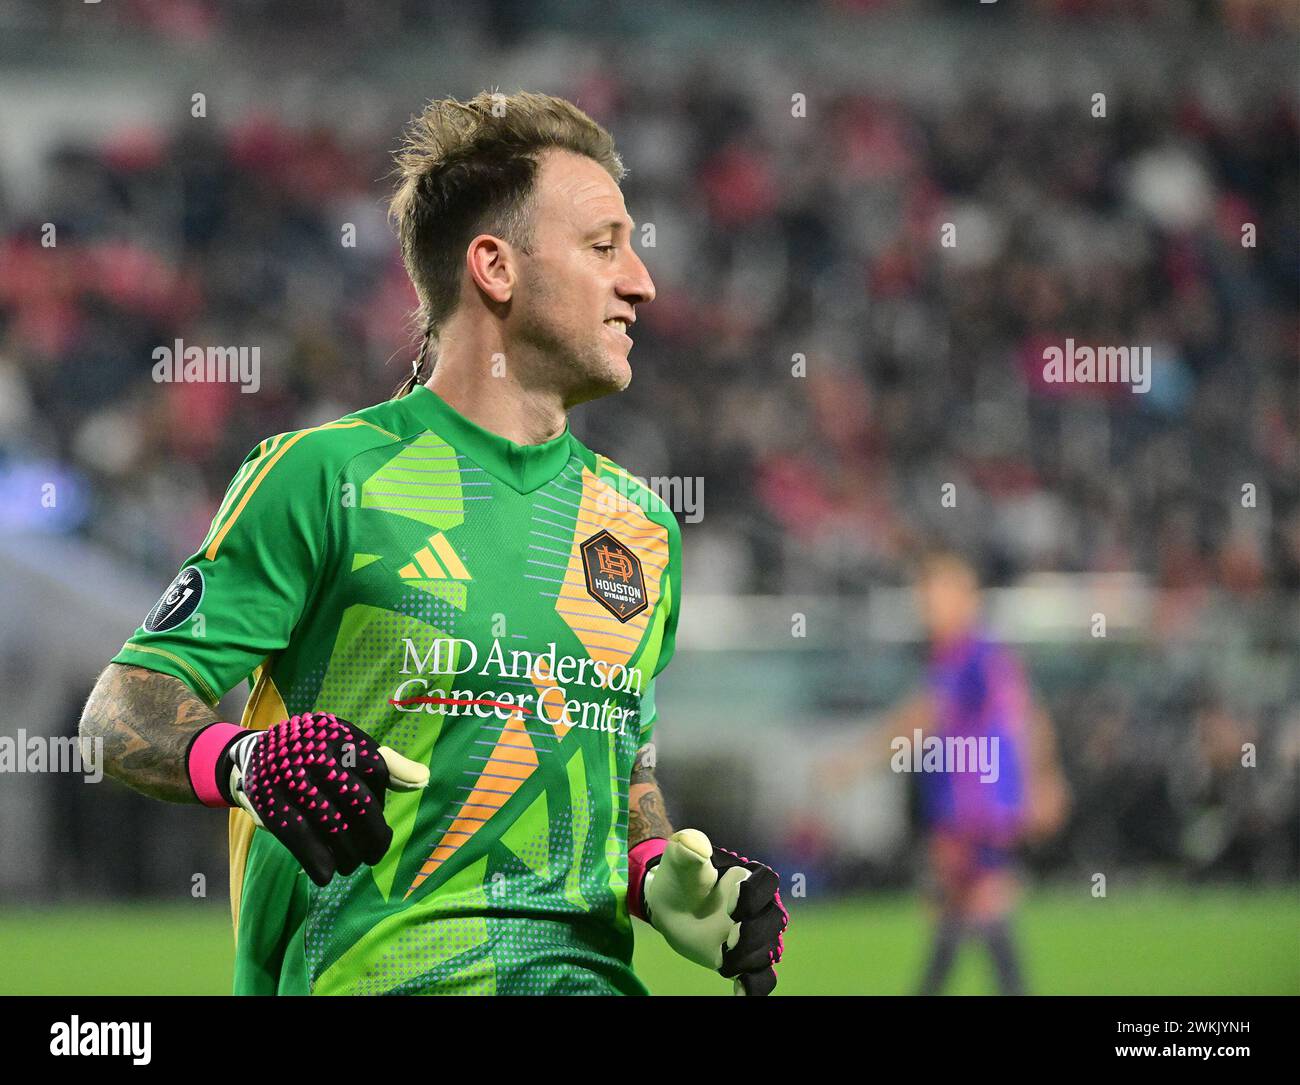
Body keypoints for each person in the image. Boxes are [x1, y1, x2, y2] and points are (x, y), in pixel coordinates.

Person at [80, 91, 786, 996]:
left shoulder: (640, 527)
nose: (642, 280)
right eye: (605, 246)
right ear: (494, 267)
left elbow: (625, 757)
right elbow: (119, 712)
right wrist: (247, 760)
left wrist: (658, 872)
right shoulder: (324, 477)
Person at [821, 550, 1067, 994]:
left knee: (976, 899)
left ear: (967, 598)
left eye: (937, 594)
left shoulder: (966, 655)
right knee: (960, 904)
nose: (928, 605)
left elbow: (922, 717)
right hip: (976, 798)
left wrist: (856, 761)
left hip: (975, 802)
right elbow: (1029, 713)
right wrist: (1044, 778)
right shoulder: (978, 655)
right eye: (925, 595)